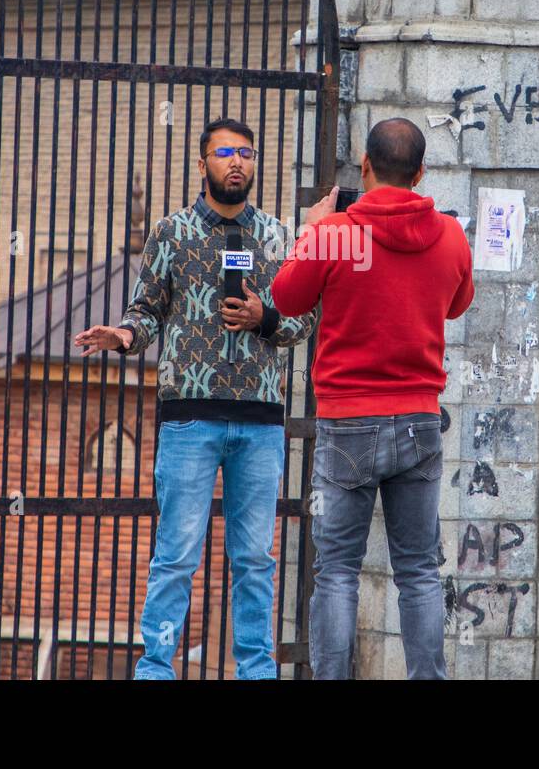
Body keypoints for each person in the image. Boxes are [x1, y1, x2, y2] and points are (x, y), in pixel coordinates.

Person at [73, 117, 317, 680]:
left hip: (259, 421)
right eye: (225, 152)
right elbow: (147, 310)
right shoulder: (171, 232)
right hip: (190, 420)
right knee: (177, 556)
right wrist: (125, 336)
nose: (238, 162)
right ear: (202, 161)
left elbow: (303, 319)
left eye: (247, 153)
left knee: (254, 560)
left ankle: (257, 670)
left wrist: (265, 317)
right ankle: (156, 669)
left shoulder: (278, 237)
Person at [270, 117, 474, 679]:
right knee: (418, 571)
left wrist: (312, 229)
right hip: (419, 421)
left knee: (336, 569)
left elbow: (285, 299)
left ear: (364, 166)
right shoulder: (451, 235)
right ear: (421, 173)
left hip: (347, 422)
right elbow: (457, 304)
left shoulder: (334, 233)